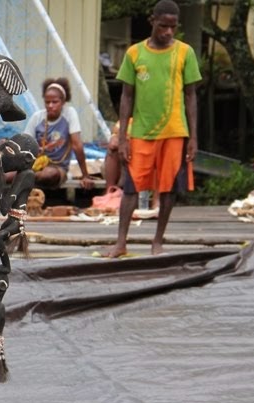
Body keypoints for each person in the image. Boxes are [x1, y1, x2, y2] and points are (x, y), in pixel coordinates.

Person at [104, 0, 201, 258]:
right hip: (141, 132)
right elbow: (126, 96)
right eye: (163, 26)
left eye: (173, 26)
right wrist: (122, 136)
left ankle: (158, 241)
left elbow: (190, 95)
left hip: (175, 131)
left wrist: (193, 136)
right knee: (133, 187)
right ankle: (121, 242)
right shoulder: (135, 53)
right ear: (152, 21)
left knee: (169, 188)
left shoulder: (185, 53)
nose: (168, 31)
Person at [23, 77, 93, 191]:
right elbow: (25, 143)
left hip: (57, 167)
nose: (50, 105)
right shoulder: (37, 117)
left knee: (49, 174)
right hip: (35, 165)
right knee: (7, 174)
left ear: (63, 102)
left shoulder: (70, 114)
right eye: (47, 102)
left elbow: (77, 145)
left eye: (54, 102)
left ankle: (23, 178)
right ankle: (24, 177)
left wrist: (85, 175)